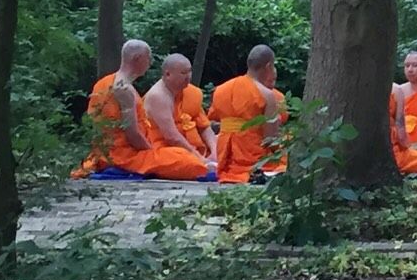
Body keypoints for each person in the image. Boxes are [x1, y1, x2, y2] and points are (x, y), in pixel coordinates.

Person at [72, 41, 214, 181]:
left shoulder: (104, 83)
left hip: (105, 151)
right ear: (138, 59)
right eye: (148, 58)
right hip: (123, 155)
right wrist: (151, 153)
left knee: (180, 154)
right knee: (188, 162)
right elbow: (133, 134)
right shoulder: (123, 89)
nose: (150, 63)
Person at [209, 44, 287, 184]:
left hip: (226, 159)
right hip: (253, 159)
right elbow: (270, 139)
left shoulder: (220, 90)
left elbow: (213, 121)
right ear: (268, 66)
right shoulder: (268, 95)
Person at [143, 53, 217, 164]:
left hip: (195, 148)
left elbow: (204, 126)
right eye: (183, 73)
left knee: (227, 142)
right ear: (167, 74)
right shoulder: (158, 96)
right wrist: (200, 159)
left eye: (189, 71)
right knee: (183, 159)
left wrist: (214, 151)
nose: (188, 77)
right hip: (166, 149)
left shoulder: (192, 92)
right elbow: (172, 137)